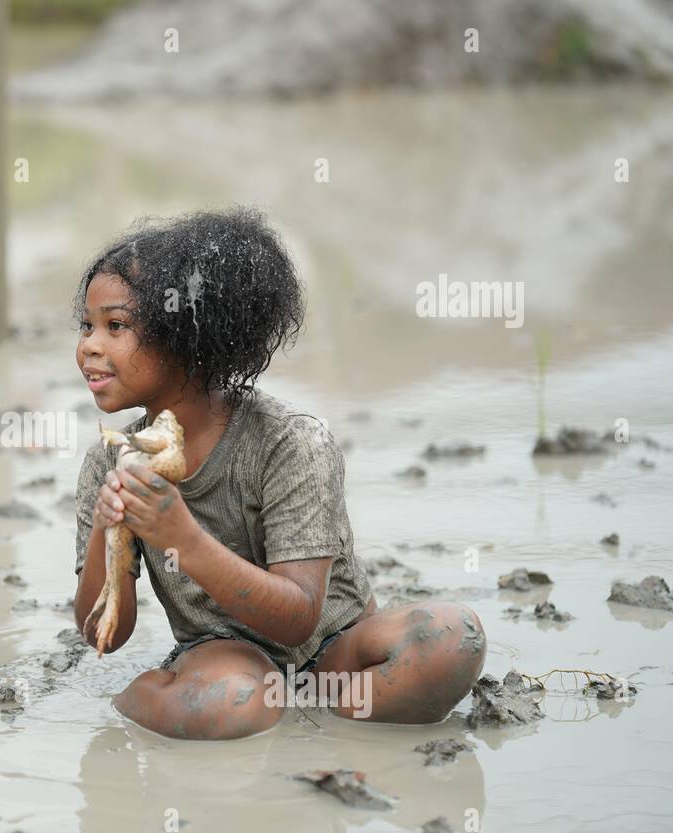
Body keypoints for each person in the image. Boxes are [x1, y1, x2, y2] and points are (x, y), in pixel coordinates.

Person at [72, 208, 486, 740]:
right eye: (86, 326)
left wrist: (181, 536)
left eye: (116, 326)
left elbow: (296, 620)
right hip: (226, 657)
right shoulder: (111, 461)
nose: (89, 345)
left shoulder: (291, 442)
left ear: (188, 338)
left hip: (334, 656)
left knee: (451, 637)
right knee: (237, 701)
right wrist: (109, 531)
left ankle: (318, 722)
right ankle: (145, 700)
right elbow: (101, 636)